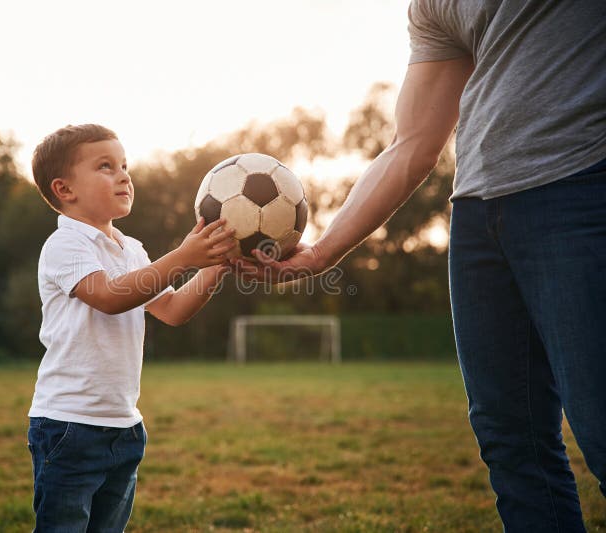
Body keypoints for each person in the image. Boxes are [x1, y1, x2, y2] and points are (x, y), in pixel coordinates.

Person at [234, 1, 605, 530]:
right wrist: (320, 253)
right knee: (511, 441)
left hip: (583, 188)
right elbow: (410, 145)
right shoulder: (435, 4)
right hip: (478, 212)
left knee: (601, 426)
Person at [27, 123, 235, 532]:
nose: (124, 175)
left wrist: (215, 265)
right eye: (106, 166)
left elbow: (173, 309)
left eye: (125, 165)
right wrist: (182, 256)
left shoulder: (131, 248)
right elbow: (108, 296)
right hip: (69, 426)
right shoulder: (66, 244)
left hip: (124, 428)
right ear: (65, 190)